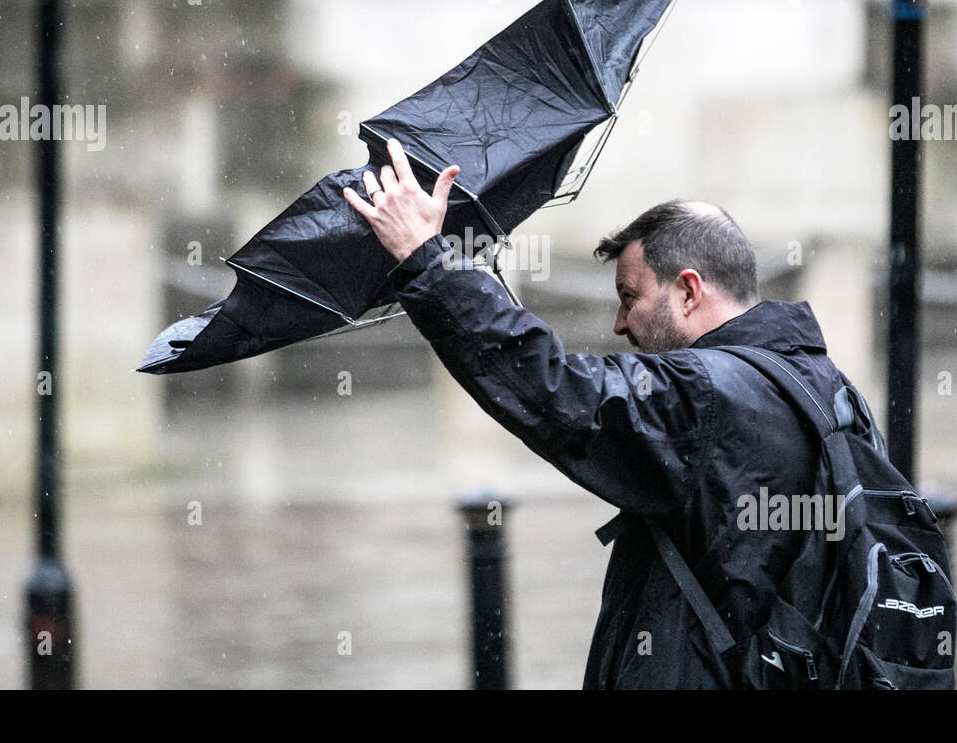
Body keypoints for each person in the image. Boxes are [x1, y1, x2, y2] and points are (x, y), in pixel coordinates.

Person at [344, 138, 859, 689]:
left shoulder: (709, 393)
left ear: (688, 291)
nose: (619, 324)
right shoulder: (826, 387)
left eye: (629, 296)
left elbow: (556, 389)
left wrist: (428, 259)